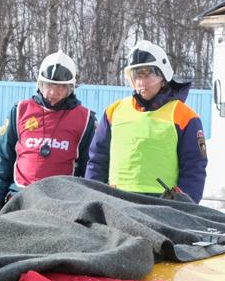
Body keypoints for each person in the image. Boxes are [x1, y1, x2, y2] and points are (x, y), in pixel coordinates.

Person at [84, 41, 206, 202]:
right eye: (137, 76)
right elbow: (97, 159)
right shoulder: (114, 112)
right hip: (115, 201)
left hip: (164, 205)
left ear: (163, 76)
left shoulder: (184, 116)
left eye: (148, 74)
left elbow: (194, 167)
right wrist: (93, 197)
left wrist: (185, 205)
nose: (142, 82)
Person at [0, 52, 95, 204]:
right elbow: (4, 158)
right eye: (48, 85)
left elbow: (89, 167)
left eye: (60, 87)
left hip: (61, 202)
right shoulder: (20, 111)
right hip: (21, 197)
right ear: (39, 83)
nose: (52, 92)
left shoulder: (85, 119)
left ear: (70, 87)